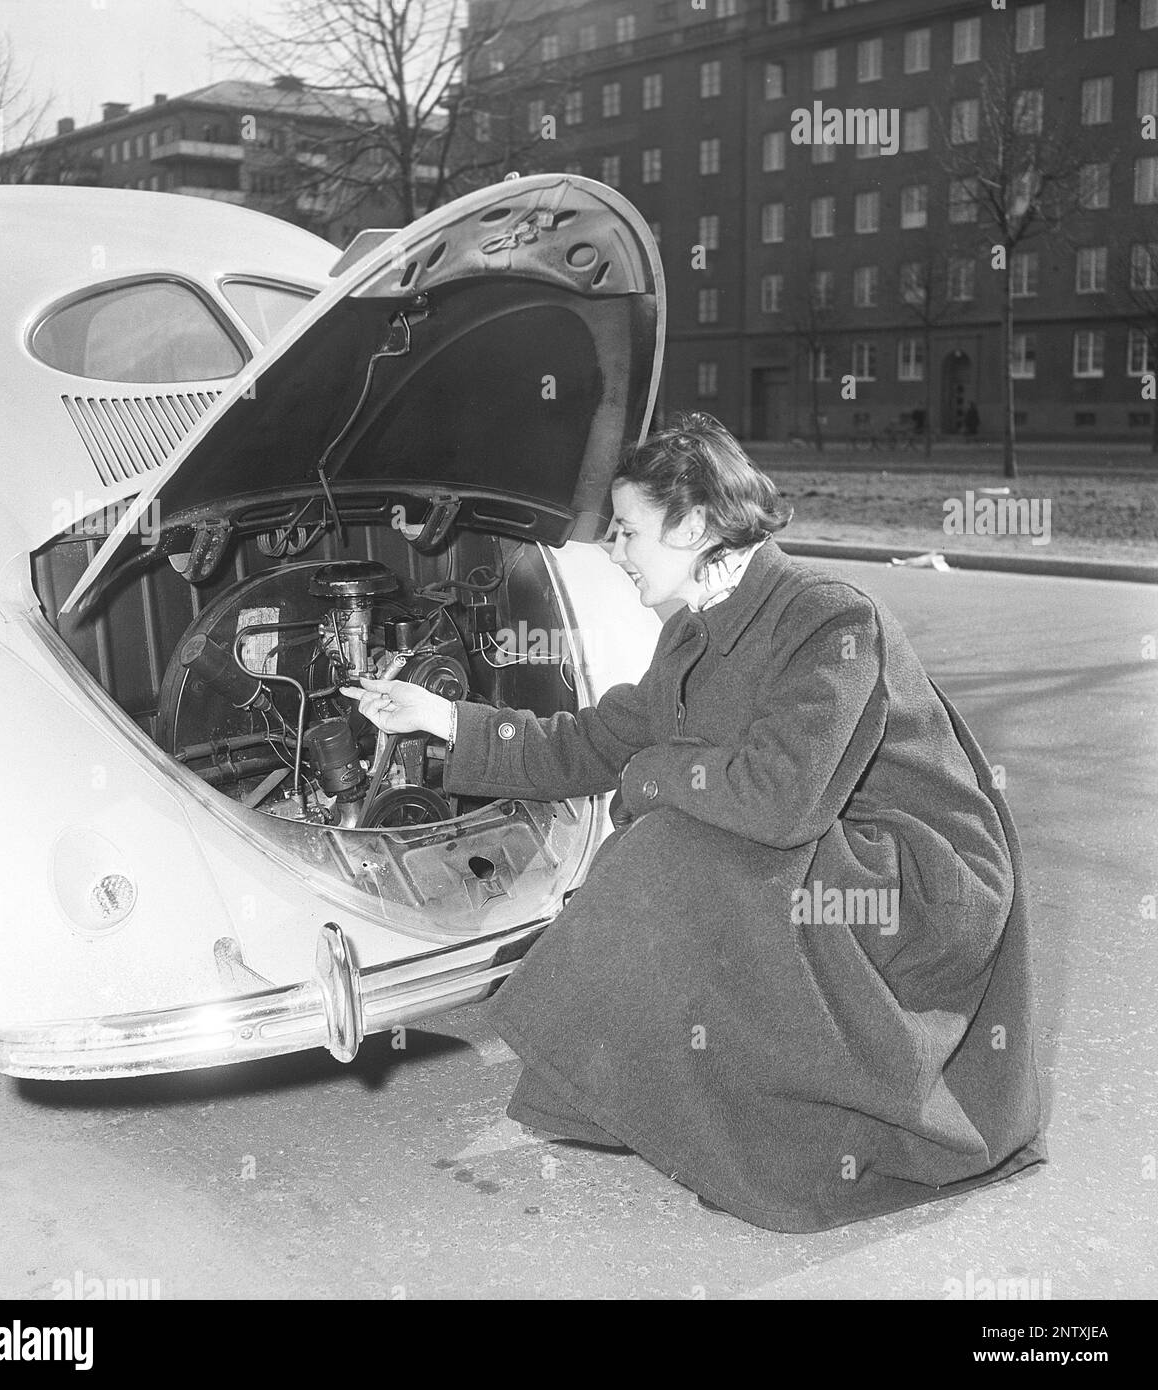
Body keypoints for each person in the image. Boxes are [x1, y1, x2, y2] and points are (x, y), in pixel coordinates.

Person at [345, 413, 1045, 1233]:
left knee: (682, 853)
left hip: (922, 879)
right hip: (826, 834)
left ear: (692, 525)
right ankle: (637, 1098)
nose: (613, 549)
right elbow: (596, 742)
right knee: (682, 846)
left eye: (628, 530)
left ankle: (787, 1144)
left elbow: (779, 801)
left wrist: (651, 781)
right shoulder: (692, 631)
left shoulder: (827, 619)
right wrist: (441, 718)